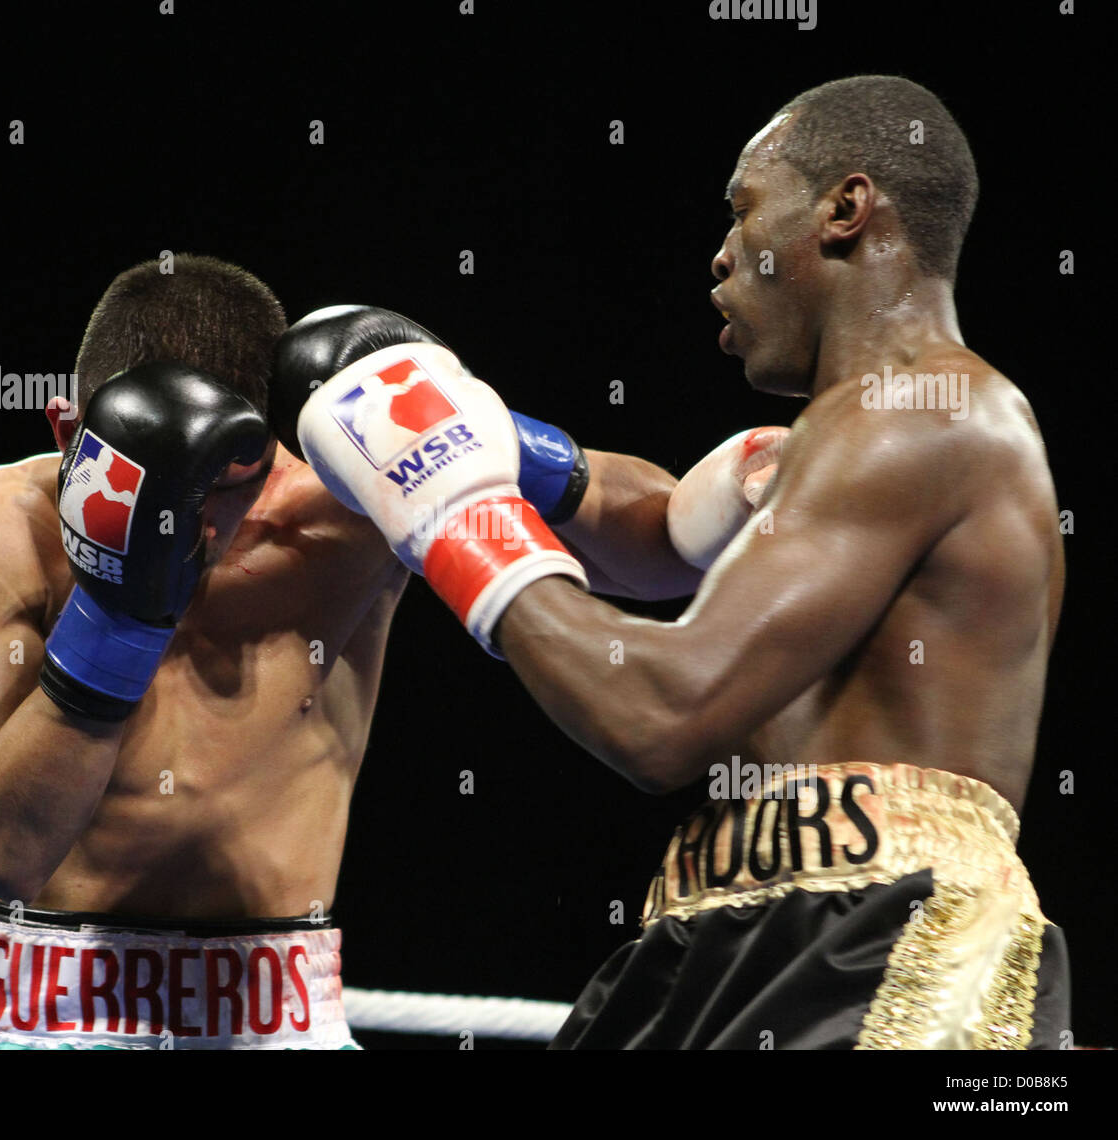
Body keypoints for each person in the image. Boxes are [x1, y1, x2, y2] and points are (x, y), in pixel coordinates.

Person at [269, 75, 1070, 1049]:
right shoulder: (830, 449)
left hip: (890, 938)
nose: (722, 254)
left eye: (743, 209)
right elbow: (657, 531)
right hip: (721, 931)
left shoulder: (930, 416)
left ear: (846, 210)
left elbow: (660, 714)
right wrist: (483, 436)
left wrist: (449, 508)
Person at [0, 255, 778, 1048]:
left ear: (269, 442)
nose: (195, 525)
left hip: (280, 1020)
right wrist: (121, 604)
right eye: (157, 485)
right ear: (66, 430)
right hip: (37, 1016)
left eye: (225, 482)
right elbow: (5, 856)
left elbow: (660, 551)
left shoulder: (344, 501)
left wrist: (740, 489)